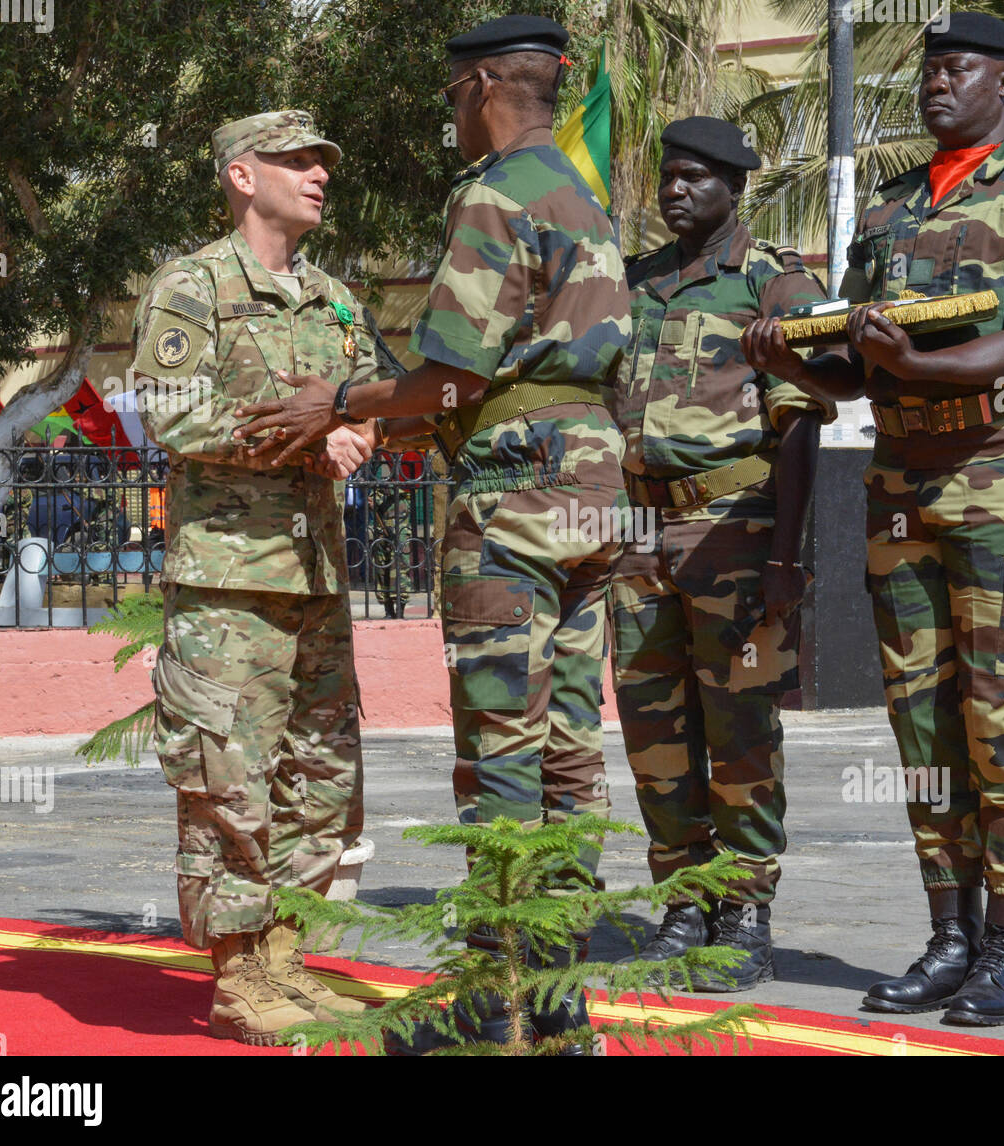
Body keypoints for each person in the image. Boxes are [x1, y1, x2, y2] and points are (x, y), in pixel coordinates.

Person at [235, 15, 630, 1049]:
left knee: (501, 760)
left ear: (486, 84)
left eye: (453, 95)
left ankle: (495, 1015)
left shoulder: (496, 194)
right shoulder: (582, 195)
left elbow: (451, 375)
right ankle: (558, 1013)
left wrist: (343, 402)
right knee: (570, 760)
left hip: (514, 494)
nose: (450, 115)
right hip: (591, 488)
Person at [742, 12, 1004, 1025]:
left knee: (999, 722)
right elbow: (850, 366)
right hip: (900, 488)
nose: (935, 83)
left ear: (1001, 80)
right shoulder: (894, 209)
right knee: (920, 725)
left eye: (958, 68)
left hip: (998, 480)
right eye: (928, 69)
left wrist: (909, 367)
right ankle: (947, 934)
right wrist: (791, 364)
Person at [133, 110, 385, 1045]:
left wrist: (361, 428)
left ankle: (286, 956)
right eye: (296, 160)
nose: (318, 173)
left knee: (319, 778)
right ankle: (238, 976)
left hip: (317, 577)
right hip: (228, 582)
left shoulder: (337, 299)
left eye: (324, 160)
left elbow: (366, 398)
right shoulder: (192, 284)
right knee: (226, 780)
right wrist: (301, 440)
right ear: (243, 176)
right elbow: (169, 413)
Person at [612, 117, 833, 990]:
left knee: (741, 730)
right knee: (653, 730)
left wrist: (787, 555)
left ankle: (745, 910)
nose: (675, 190)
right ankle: (682, 901)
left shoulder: (776, 285)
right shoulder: (635, 285)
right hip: (637, 540)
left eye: (695, 177)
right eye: (668, 176)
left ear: (735, 187)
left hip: (734, 529)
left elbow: (804, 424)